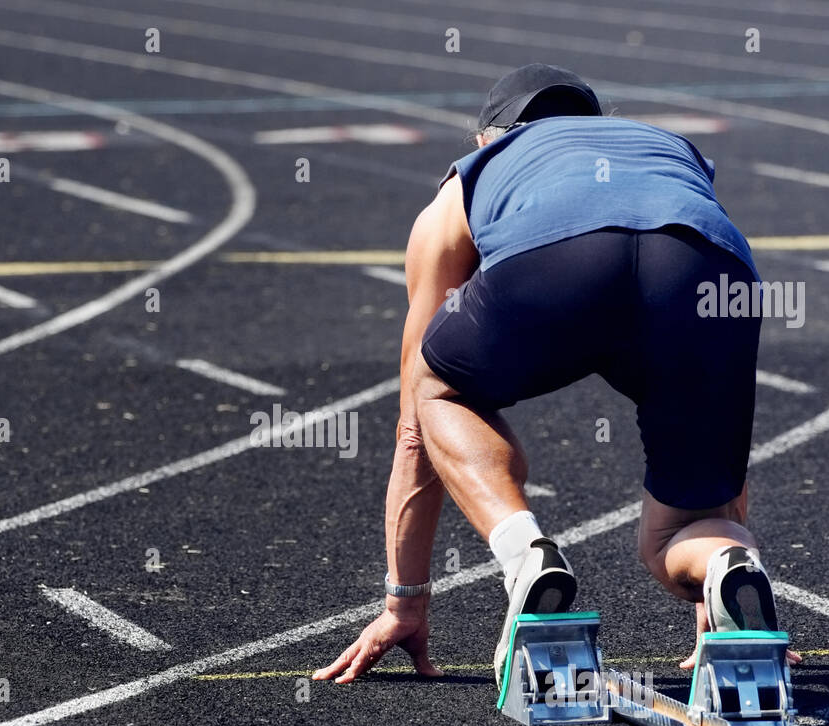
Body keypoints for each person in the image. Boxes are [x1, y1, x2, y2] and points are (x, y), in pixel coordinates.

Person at [313, 63, 799, 687]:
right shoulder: (663, 147)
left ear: (486, 138)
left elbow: (414, 430)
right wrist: (714, 557)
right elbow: (724, 451)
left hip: (558, 264)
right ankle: (727, 564)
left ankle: (527, 557)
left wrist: (404, 603)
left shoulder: (471, 178)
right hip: (707, 270)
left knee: (436, 389)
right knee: (677, 529)